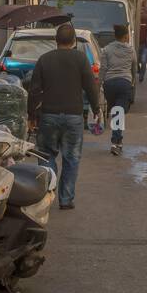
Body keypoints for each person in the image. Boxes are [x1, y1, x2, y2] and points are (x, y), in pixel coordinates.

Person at [27, 22, 99, 210]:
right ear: (74, 41)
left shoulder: (44, 60)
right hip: (73, 117)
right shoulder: (81, 59)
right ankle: (66, 199)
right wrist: (97, 109)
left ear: (55, 40)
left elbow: (34, 91)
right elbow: (91, 87)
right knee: (71, 159)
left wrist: (31, 116)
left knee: (46, 156)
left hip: (48, 116)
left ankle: (46, 195)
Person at [100, 23, 138, 156]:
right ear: (126, 36)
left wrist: (99, 84)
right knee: (119, 112)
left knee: (115, 111)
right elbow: (134, 68)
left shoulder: (106, 49)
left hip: (109, 83)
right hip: (124, 83)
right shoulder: (131, 50)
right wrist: (132, 82)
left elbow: (103, 69)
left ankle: (117, 140)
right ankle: (116, 142)